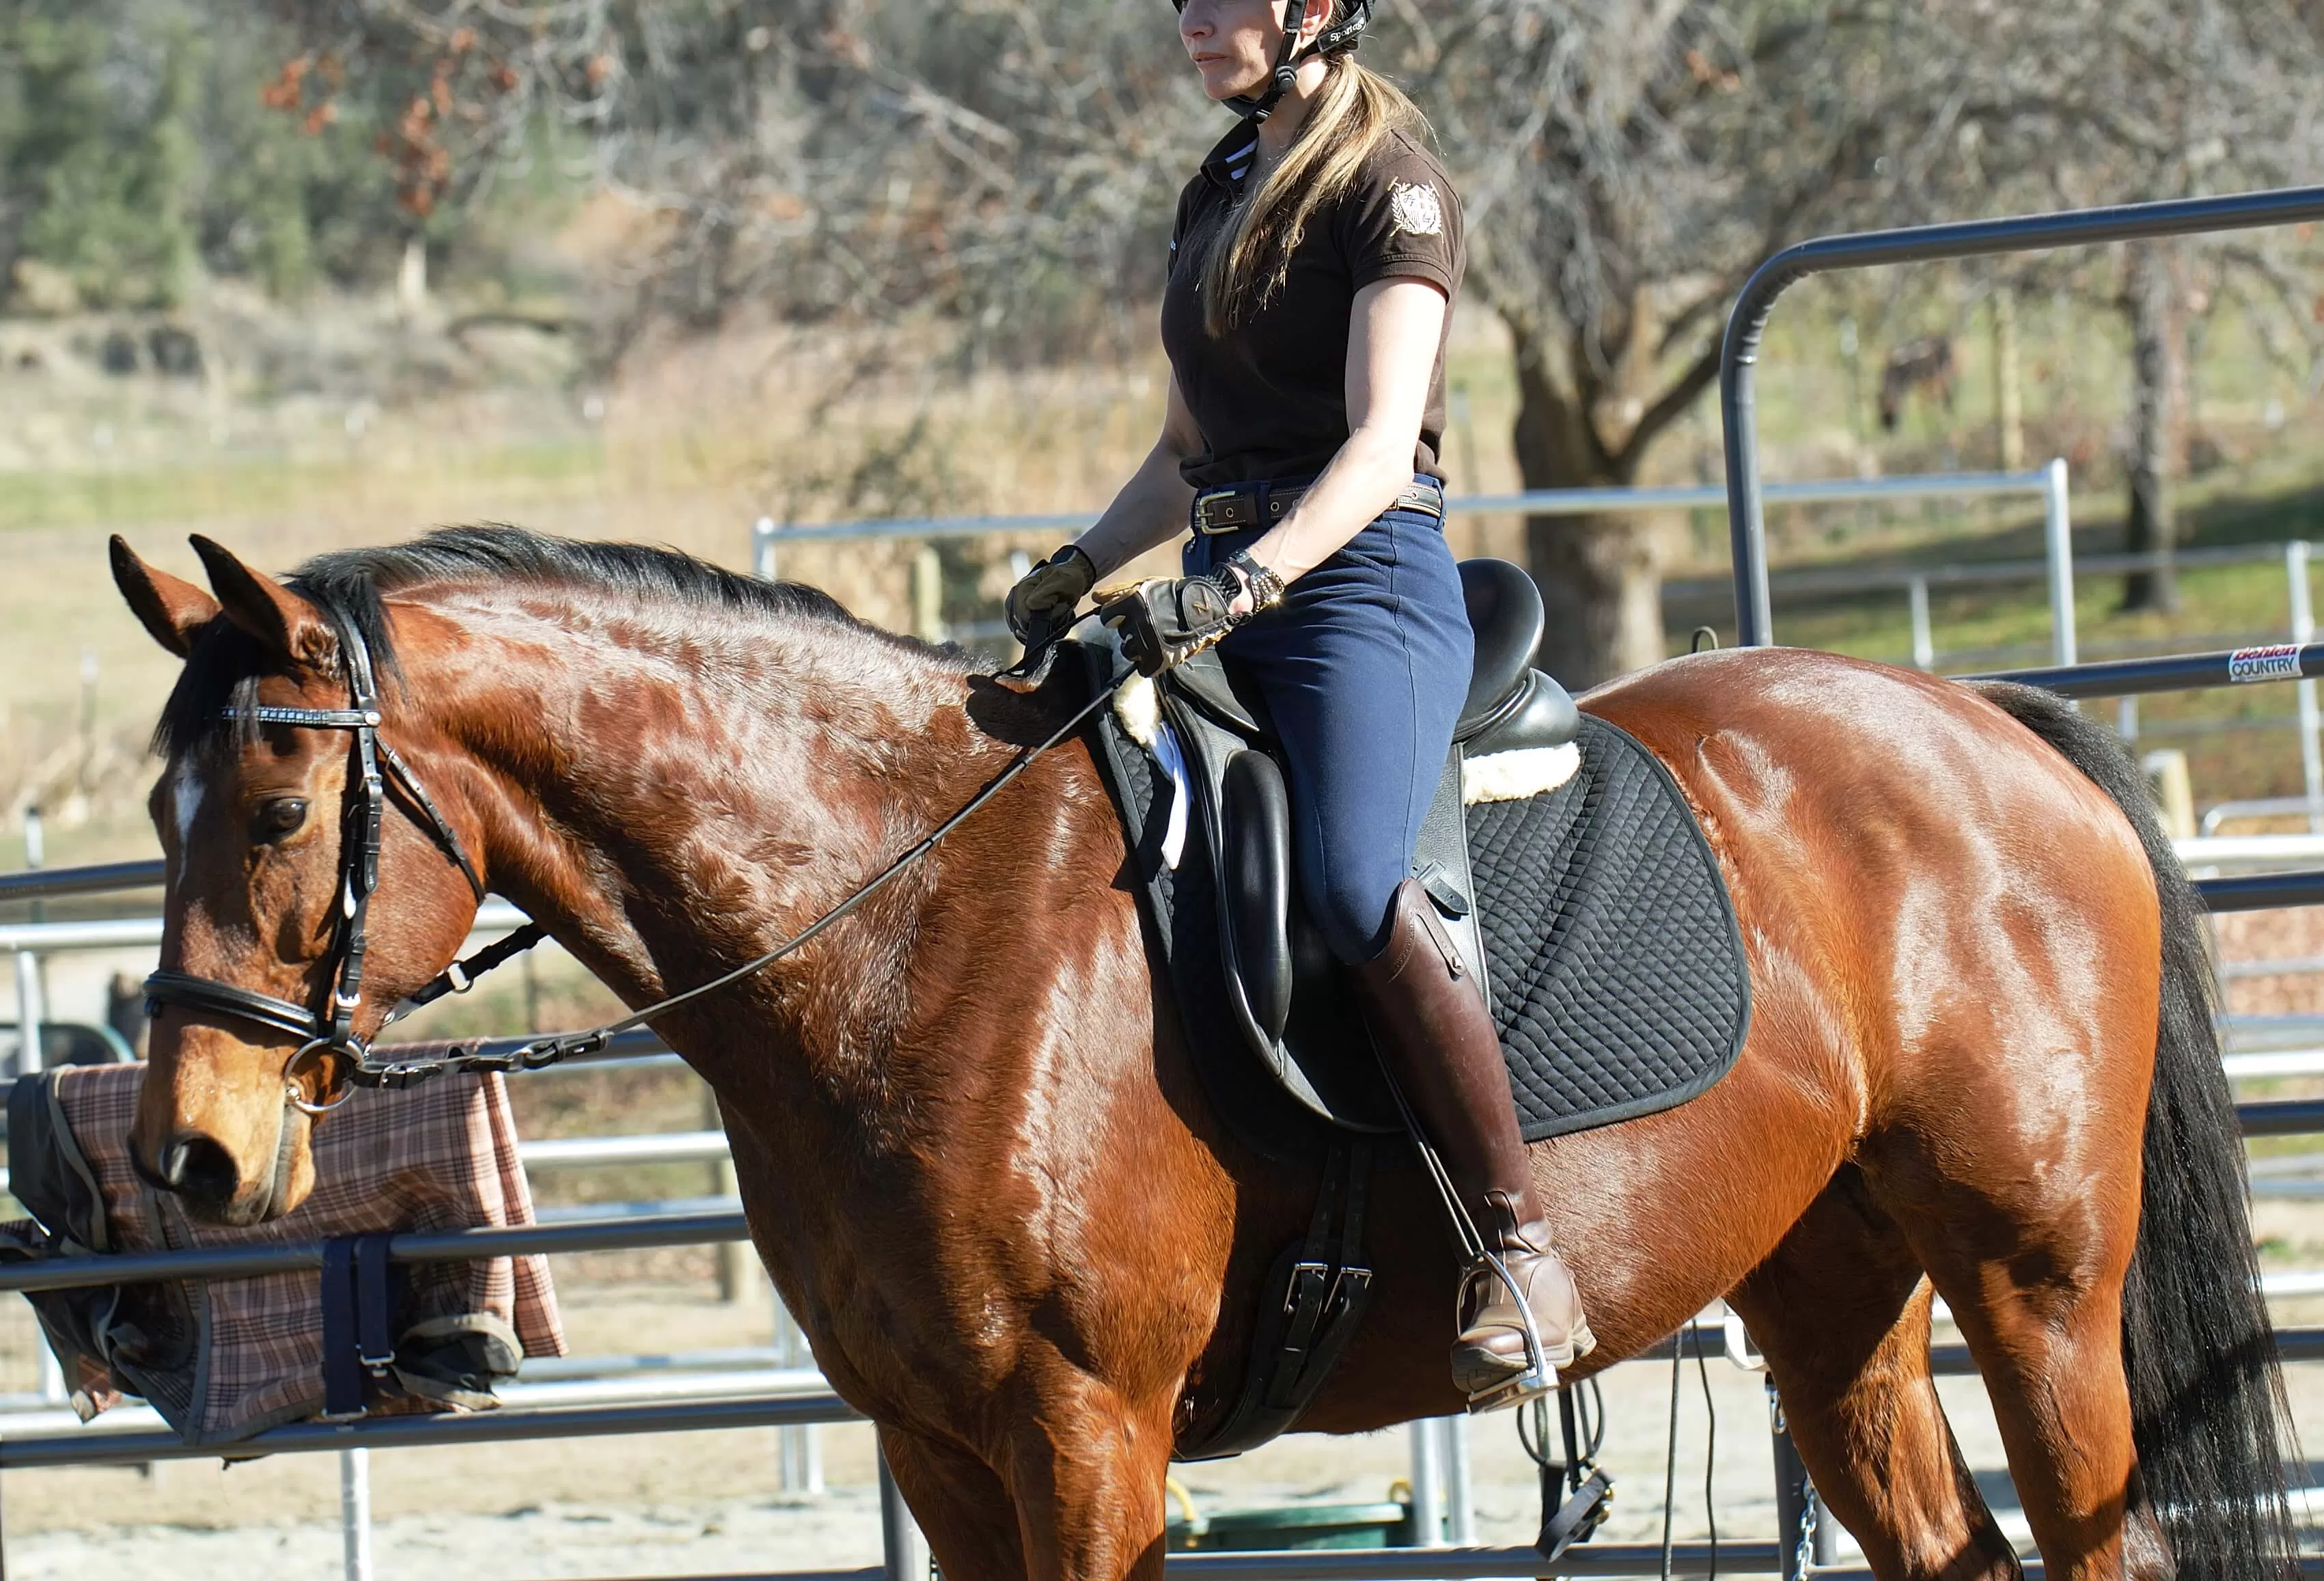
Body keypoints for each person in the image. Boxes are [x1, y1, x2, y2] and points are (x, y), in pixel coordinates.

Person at [1004, 0, 1590, 1405]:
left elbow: (1384, 446)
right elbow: (1190, 448)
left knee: (1354, 883)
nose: (1196, 22)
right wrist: (1083, 563)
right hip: (1224, 574)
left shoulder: (1392, 177)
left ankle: (1523, 1242)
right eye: (1186, 1)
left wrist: (1245, 580)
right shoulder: (1217, 186)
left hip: (1358, 589)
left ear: (1321, 7)